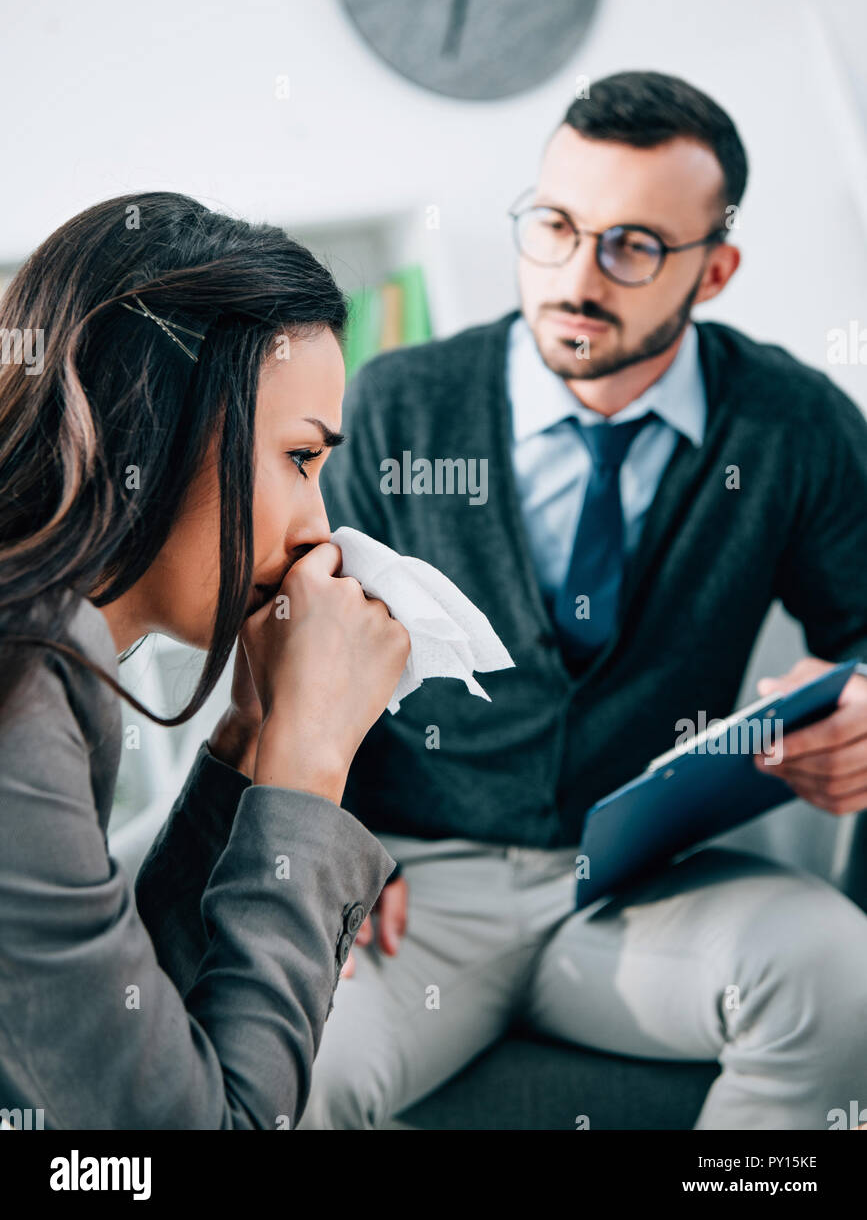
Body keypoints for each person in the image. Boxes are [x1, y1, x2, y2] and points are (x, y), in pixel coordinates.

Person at [298, 72, 867, 1131]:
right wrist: (333, 840)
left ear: (717, 268)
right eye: (555, 225)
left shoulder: (792, 424)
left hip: (649, 888)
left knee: (839, 975)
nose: (577, 275)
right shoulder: (394, 404)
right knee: (290, 1074)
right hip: (413, 889)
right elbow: (296, 648)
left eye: (635, 246)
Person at [0, 192, 410, 1129]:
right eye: (301, 459)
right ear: (156, 423)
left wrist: (249, 739)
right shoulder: (23, 679)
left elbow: (111, 1019)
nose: (316, 530)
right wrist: (309, 768)